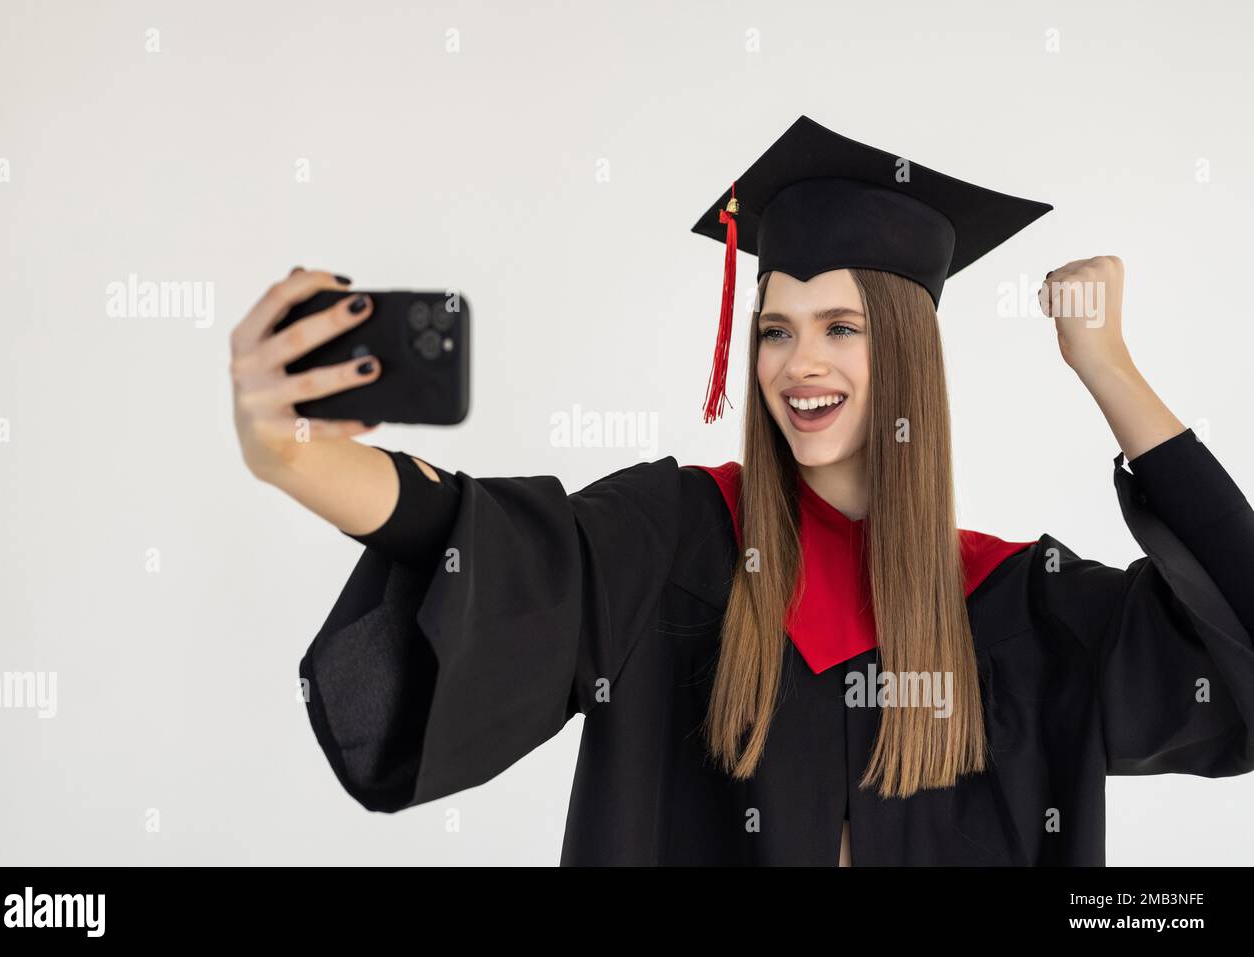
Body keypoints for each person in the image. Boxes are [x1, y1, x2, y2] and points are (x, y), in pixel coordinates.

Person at [230, 117, 1254, 865]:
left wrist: (1105, 365)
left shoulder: (1021, 611)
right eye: (774, 327)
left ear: (905, 354)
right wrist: (293, 456)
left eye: (840, 326)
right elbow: (496, 545)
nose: (796, 362)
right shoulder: (677, 541)